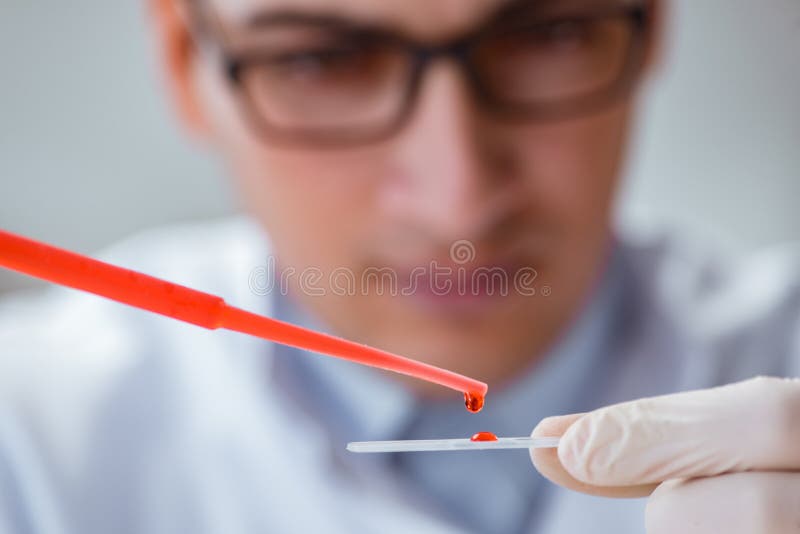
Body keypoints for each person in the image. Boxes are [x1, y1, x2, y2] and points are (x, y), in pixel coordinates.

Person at [1, 0, 798, 532]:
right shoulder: (29, 441)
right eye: (322, 60)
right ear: (185, 66)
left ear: (653, 24)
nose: (457, 203)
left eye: (544, 34)